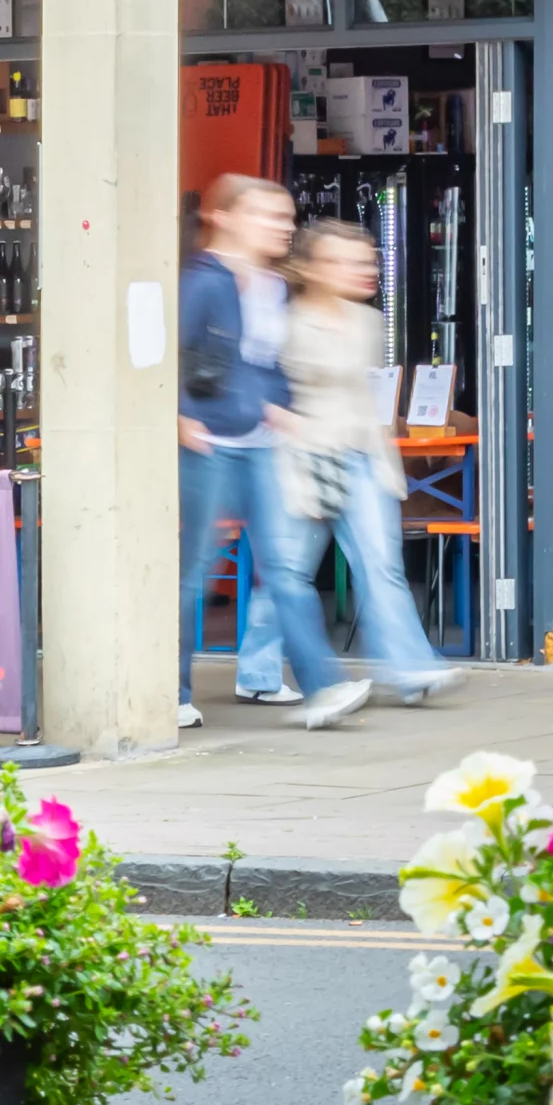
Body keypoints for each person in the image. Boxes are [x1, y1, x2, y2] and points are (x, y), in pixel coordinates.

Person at [176, 173, 369, 732]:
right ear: (226, 216)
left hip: (261, 444)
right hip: (209, 443)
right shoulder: (202, 281)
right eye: (270, 216)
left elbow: (266, 365)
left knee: (284, 568)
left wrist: (282, 409)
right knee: (195, 569)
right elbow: (171, 354)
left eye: (287, 217)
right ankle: (171, 689)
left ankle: (323, 688)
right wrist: (181, 418)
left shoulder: (274, 285)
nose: (286, 227)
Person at [241, 219, 452, 705]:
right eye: (346, 261)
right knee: (288, 572)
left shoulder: (368, 322)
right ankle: (257, 671)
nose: (364, 270)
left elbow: (366, 395)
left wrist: (387, 457)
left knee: (382, 565)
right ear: (313, 269)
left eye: (367, 261)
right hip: (302, 457)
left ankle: (413, 668)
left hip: (360, 453)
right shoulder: (285, 323)